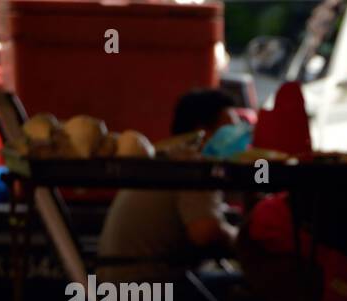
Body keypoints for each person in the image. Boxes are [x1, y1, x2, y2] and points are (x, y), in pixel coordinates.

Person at [97, 89, 242, 283]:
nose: (239, 139)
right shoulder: (195, 164)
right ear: (204, 132)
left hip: (117, 291)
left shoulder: (163, 157)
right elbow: (205, 233)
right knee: (243, 290)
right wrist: (241, 239)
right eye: (231, 130)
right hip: (149, 294)